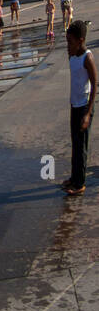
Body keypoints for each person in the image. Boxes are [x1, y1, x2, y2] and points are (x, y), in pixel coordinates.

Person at [64, 20, 97, 195]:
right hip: (74, 106)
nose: (67, 45)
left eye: (70, 42)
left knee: (81, 146)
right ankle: (74, 177)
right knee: (75, 144)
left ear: (81, 40)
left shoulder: (87, 57)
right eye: (66, 41)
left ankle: (80, 183)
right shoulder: (72, 56)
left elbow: (94, 85)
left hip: (84, 107)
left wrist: (88, 113)